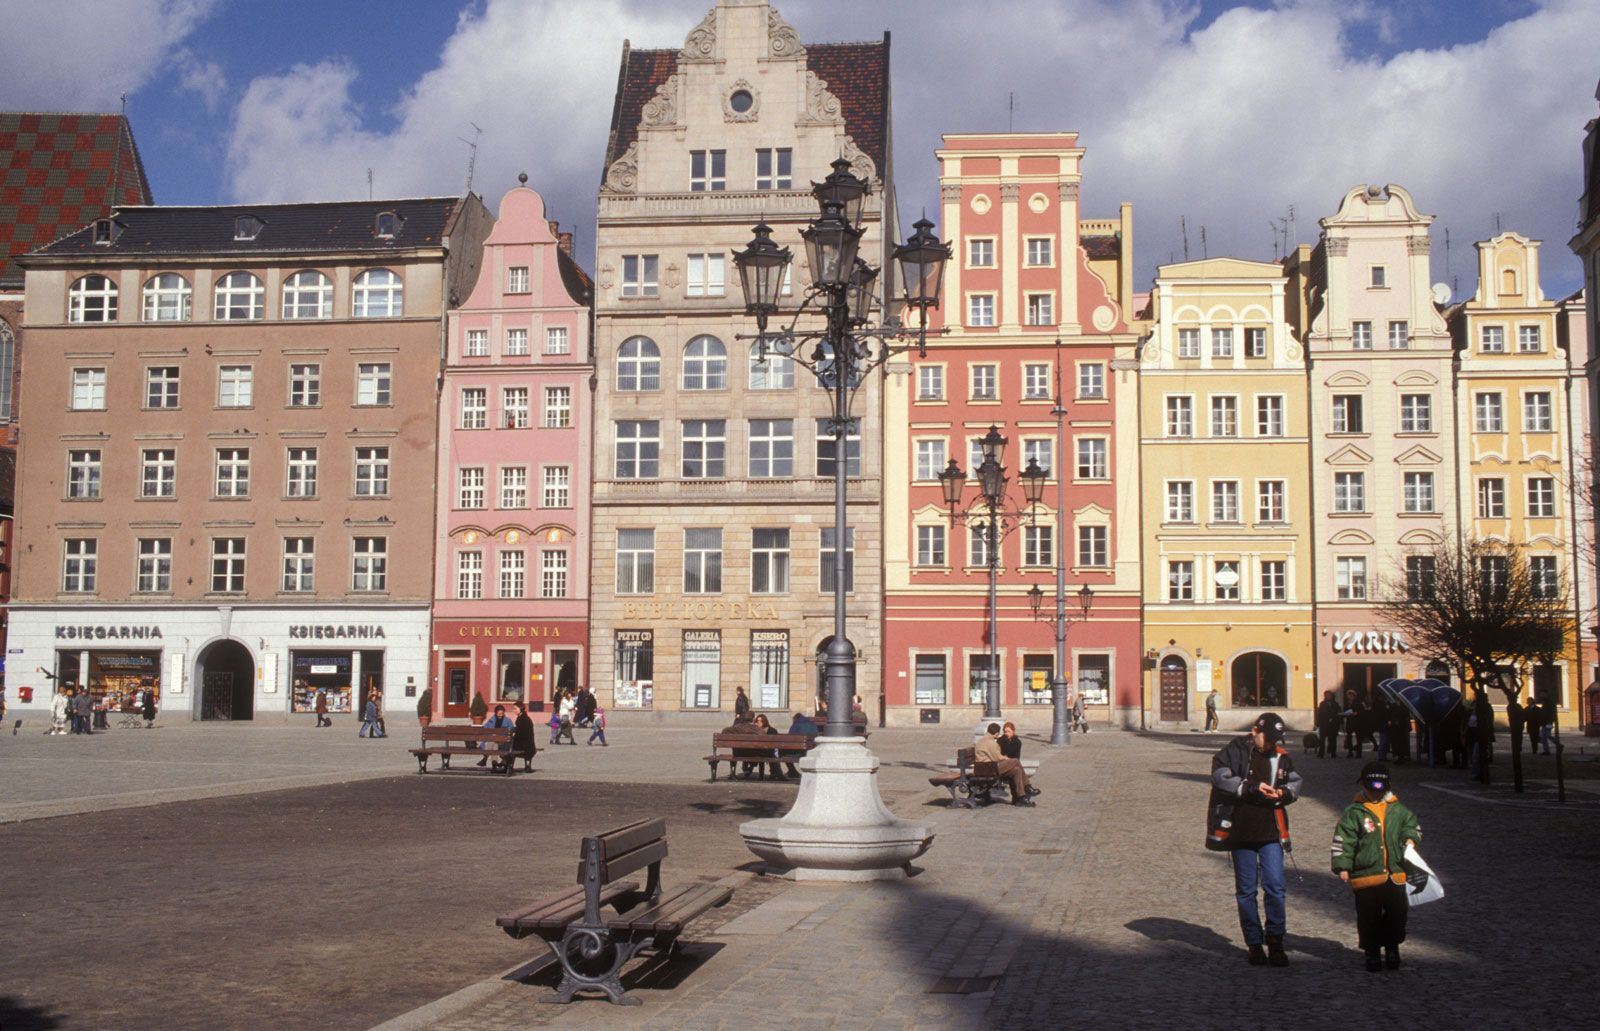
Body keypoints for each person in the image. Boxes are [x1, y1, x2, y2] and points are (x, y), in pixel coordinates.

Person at [1206, 712, 1302, 967]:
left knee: (1275, 887)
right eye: (1267, 738)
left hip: (1271, 831)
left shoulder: (1281, 756)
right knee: (1246, 891)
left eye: (1275, 739)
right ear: (1255, 731)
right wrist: (1250, 787)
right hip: (1240, 832)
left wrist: (1283, 792)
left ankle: (1276, 941)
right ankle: (1254, 943)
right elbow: (1219, 777)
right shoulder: (1234, 750)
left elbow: (1294, 783)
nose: (1270, 744)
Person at [1331, 762, 1422, 972]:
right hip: (1366, 875)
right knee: (1368, 916)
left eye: (1379, 789)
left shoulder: (1398, 809)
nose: (1374, 794)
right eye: (1371, 788)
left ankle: (1392, 948)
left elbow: (1413, 826)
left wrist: (1410, 839)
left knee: (1397, 914)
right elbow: (1343, 840)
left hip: (1395, 873)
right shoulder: (1354, 812)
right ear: (1363, 785)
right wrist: (1342, 866)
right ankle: (1371, 951)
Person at [975, 723, 1037, 806]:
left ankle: (1020, 797)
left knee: (1016, 770)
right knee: (1015, 761)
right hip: (989, 769)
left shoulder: (984, 740)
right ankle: (1027, 785)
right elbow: (996, 758)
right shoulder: (990, 742)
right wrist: (1005, 758)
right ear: (996, 733)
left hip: (987, 767)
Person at [1316, 690, 1341, 759]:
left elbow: (1338, 713)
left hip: (1333, 725)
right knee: (1322, 740)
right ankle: (1321, 753)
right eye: (1327, 695)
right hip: (1324, 724)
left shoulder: (1335, 704)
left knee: (1333, 739)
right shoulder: (1322, 704)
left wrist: (1336, 721)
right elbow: (1320, 714)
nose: (1328, 696)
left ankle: (1333, 753)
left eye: (1329, 695)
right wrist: (1318, 723)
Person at [511, 703, 537, 770]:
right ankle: (506, 764)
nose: (514, 710)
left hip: (524, 745)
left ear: (521, 709)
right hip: (528, 744)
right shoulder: (524, 718)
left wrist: (513, 736)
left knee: (508, 747)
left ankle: (507, 765)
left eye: (515, 708)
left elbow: (522, 734)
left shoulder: (523, 719)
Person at [1340, 689, 1364, 758]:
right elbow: (1344, 711)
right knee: (1349, 738)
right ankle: (1350, 752)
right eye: (1348, 696)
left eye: (1351, 695)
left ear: (1354, 696)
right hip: (1349, 722)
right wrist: (1344, 714)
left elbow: (1361, 712)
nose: (1349, 697)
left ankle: (1359, 753)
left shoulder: (1358, 703)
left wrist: (1356, 713)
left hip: (1357, 722)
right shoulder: (1347, 703)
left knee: (1358, 738)